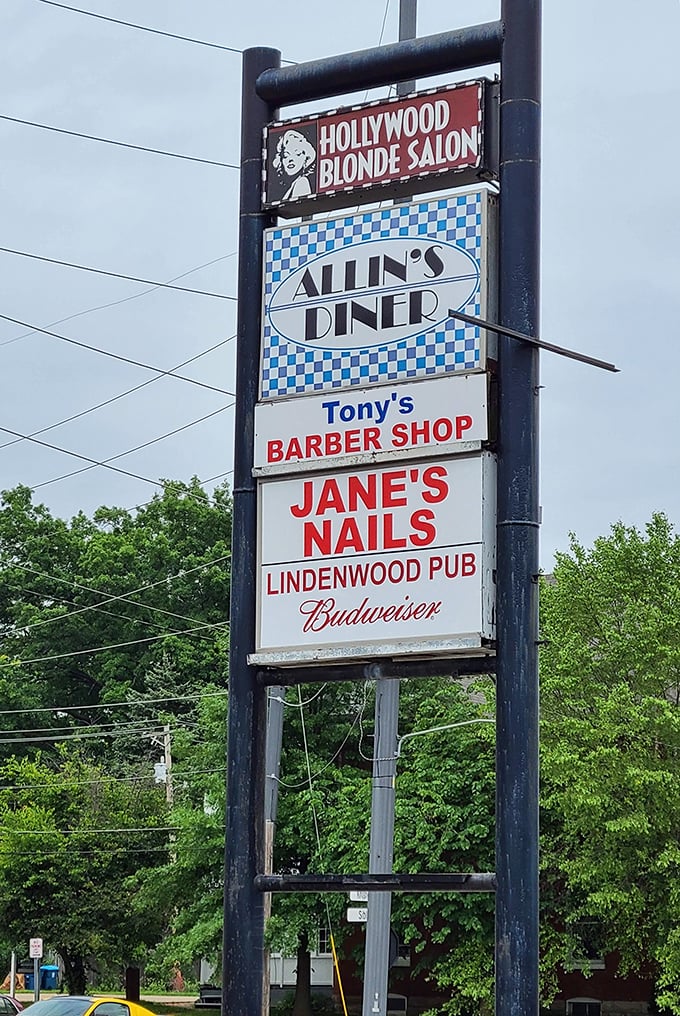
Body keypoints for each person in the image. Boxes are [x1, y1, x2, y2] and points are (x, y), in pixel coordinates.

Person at [272, 129, 316, 200]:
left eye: (297, 154)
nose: (291, 159)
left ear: (306, 158)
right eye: (286, 155)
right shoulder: (292, 186)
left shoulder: (302, 182)